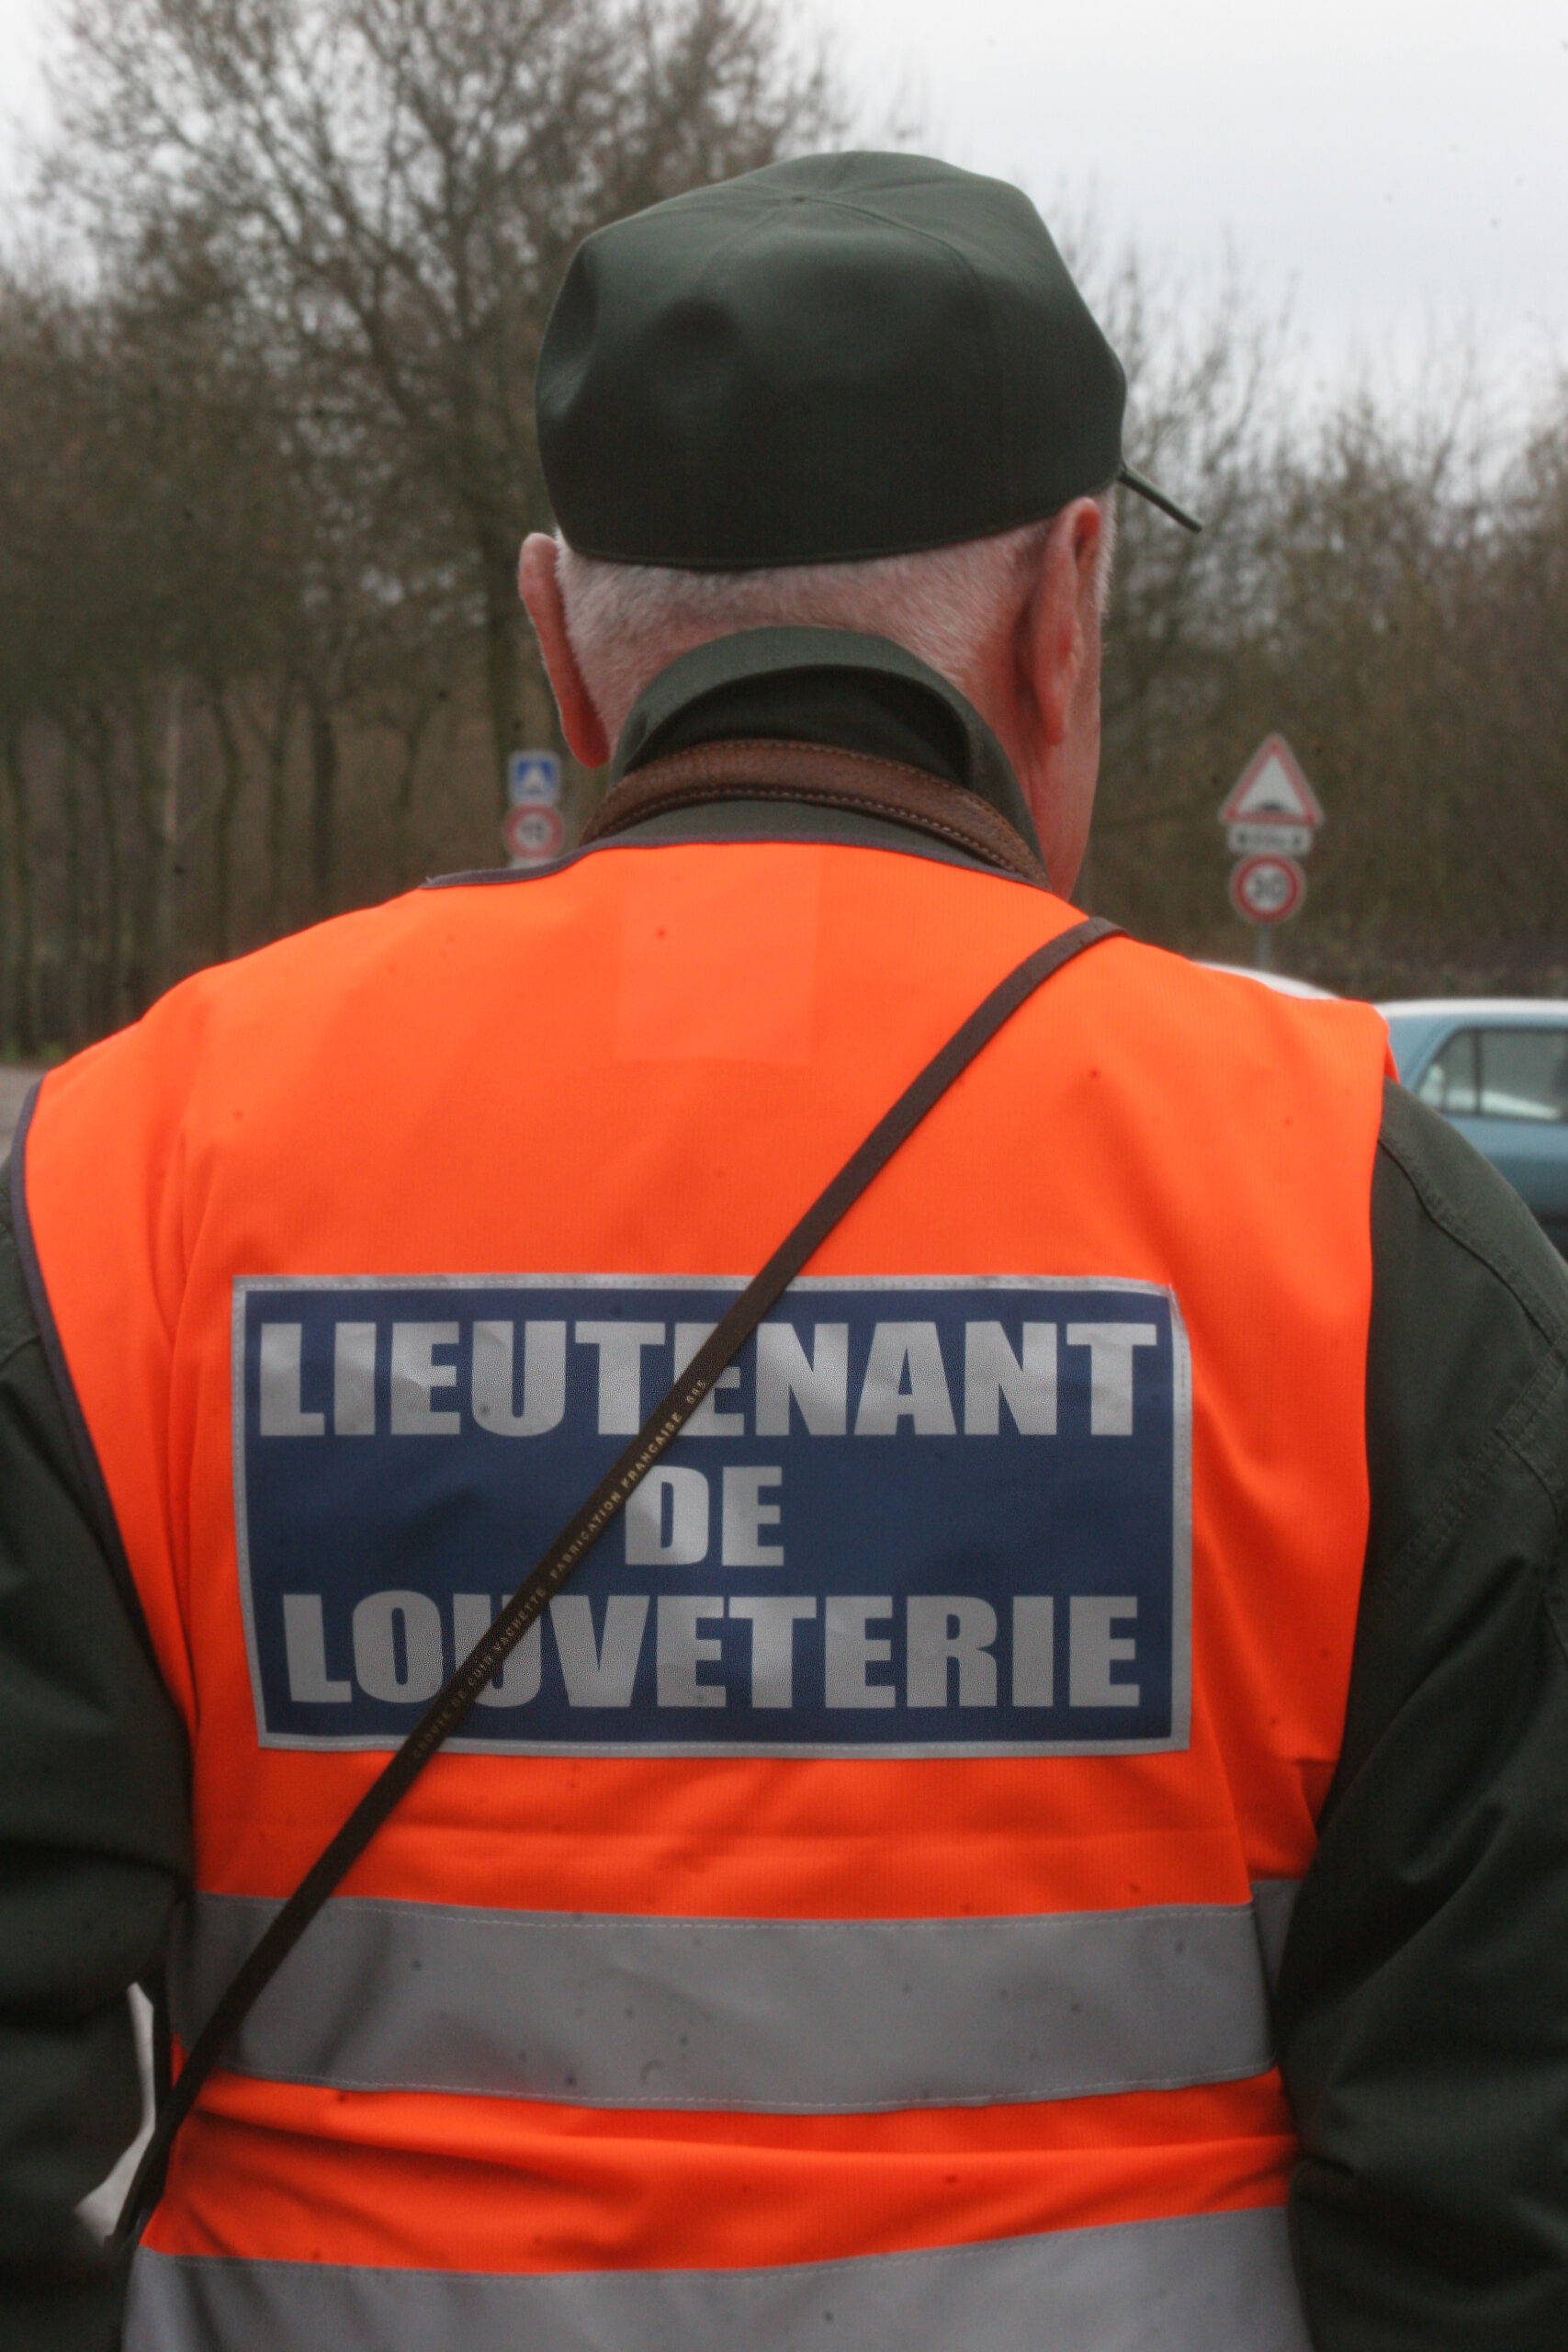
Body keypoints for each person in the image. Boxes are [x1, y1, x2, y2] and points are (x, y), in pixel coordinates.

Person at [2, 151, 1566, 2352]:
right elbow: (1499, 2203)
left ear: (559, 638)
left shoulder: (127, 1175)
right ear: (1064, 609)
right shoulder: (1371, 1235)